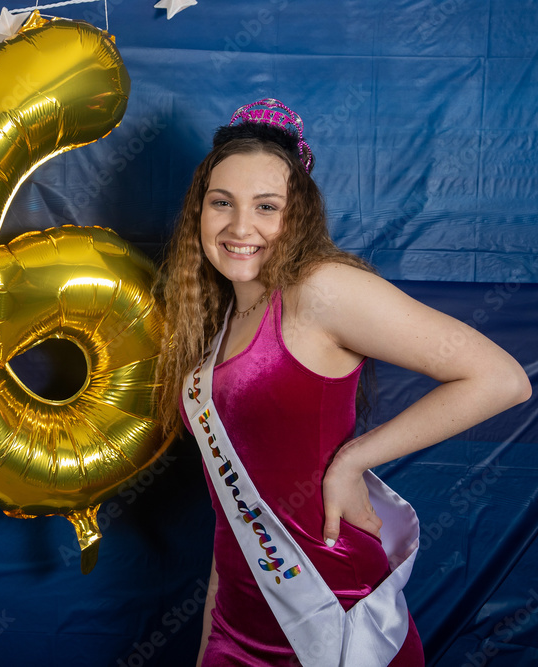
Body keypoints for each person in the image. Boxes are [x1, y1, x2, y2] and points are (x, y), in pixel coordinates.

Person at [154, 99, 532, 666]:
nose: (239, 226)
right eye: (221, 202)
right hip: (237, 621)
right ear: (199, 212)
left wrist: (354, 459)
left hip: (334, 613)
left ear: (297, 215)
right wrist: (213, 631)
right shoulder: (218, 322)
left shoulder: (321, 290)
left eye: (266, 206)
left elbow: (502, 379)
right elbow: (233, 511)